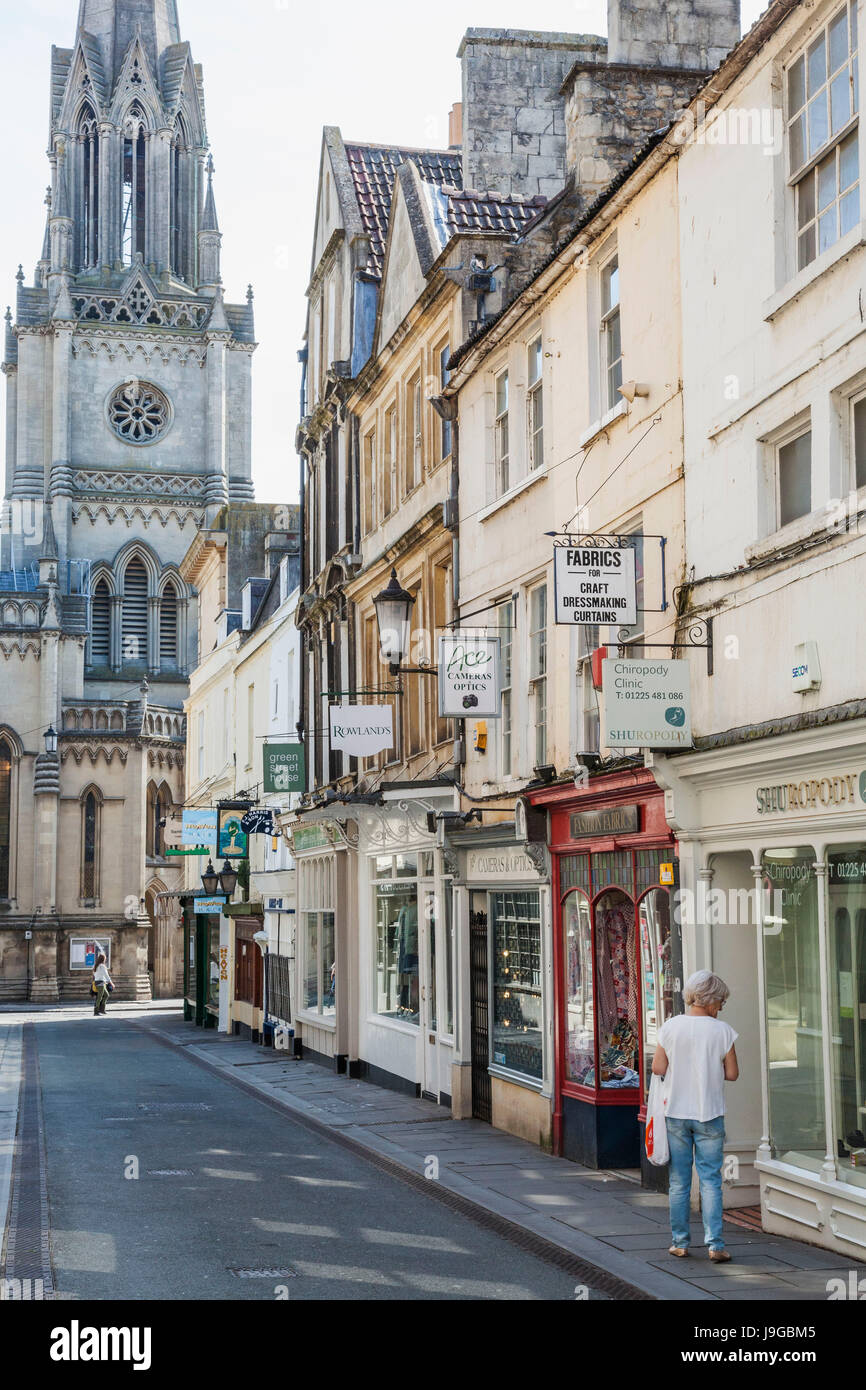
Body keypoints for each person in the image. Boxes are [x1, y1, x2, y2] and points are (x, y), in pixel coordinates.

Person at [652, 969, 739, 1263]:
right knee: (711, 1180)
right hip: (710, 1114)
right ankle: (715, 1245)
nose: (721, 1007)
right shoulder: (723, 1031)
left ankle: (680, 1242)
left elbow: (658, 1068)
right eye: (720, 1002)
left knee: (679, 1180)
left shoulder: (670, 1027)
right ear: (711, 1000)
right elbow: (733, 1074)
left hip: (676, 1112)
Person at [92, 952, 113, 1017]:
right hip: (100, 983)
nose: (105, 960)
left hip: (98, 982)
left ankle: (102, 1009)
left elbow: (95, 975)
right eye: (105, 959)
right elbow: (106, 975)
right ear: (103, 959)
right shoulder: (102, 966)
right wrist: (111, 982)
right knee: (99, 997)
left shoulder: (95, 965)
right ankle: (96, 1011)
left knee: (106, 995)